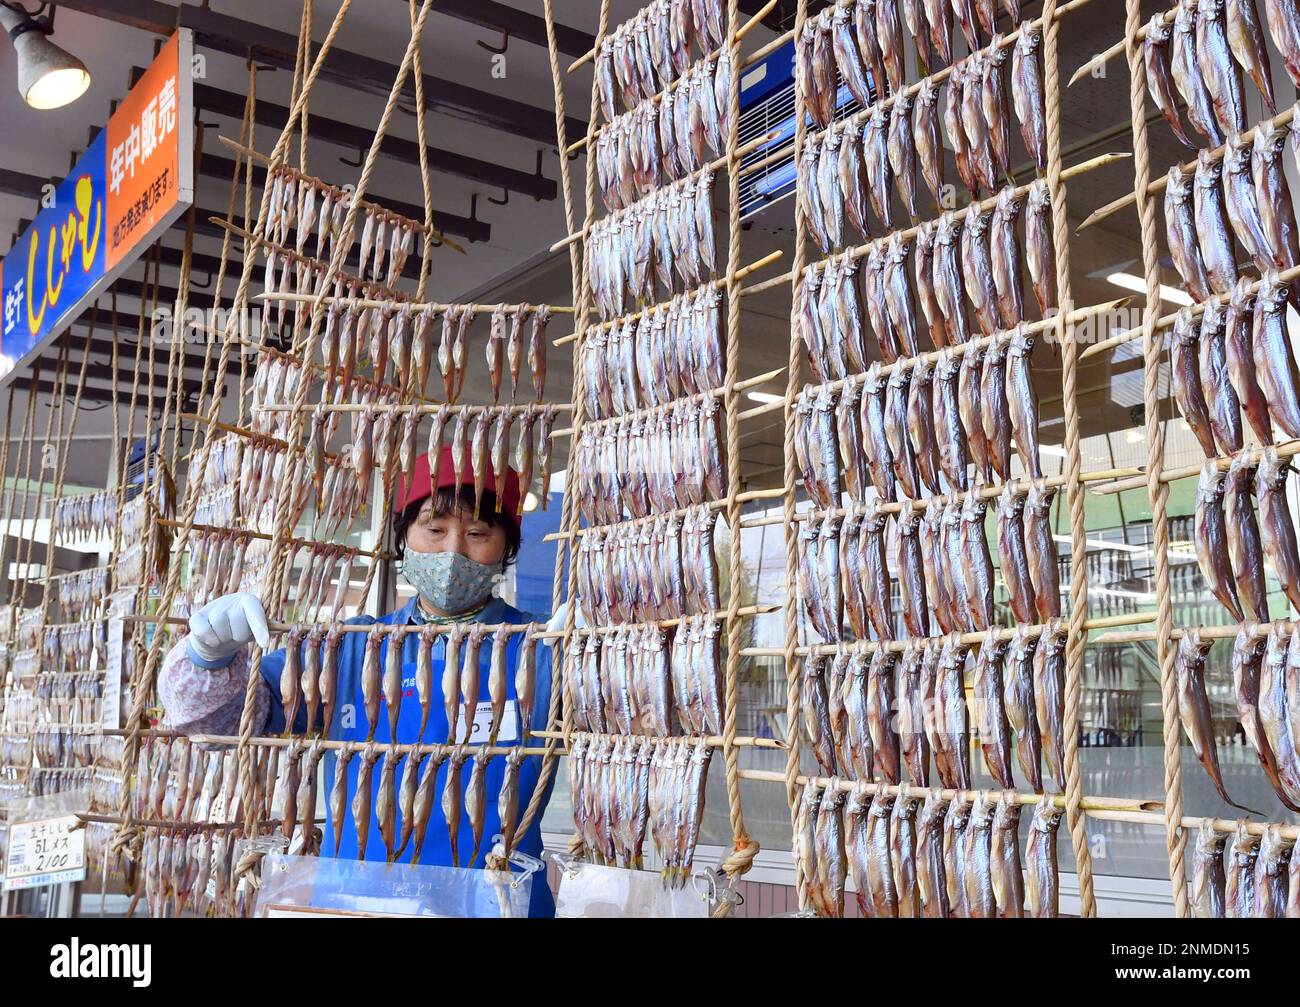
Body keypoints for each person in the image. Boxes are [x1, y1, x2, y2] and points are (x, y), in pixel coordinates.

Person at [157, 445, 557, 916]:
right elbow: (220, 727)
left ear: (505, 548)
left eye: (476, 533)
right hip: (355, 905)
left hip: (498, 908)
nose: (453, 552)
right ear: (404, 535)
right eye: (434, 529)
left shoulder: (543, 648)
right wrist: (207, 657)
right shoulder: (348, 648)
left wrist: (596, 658)